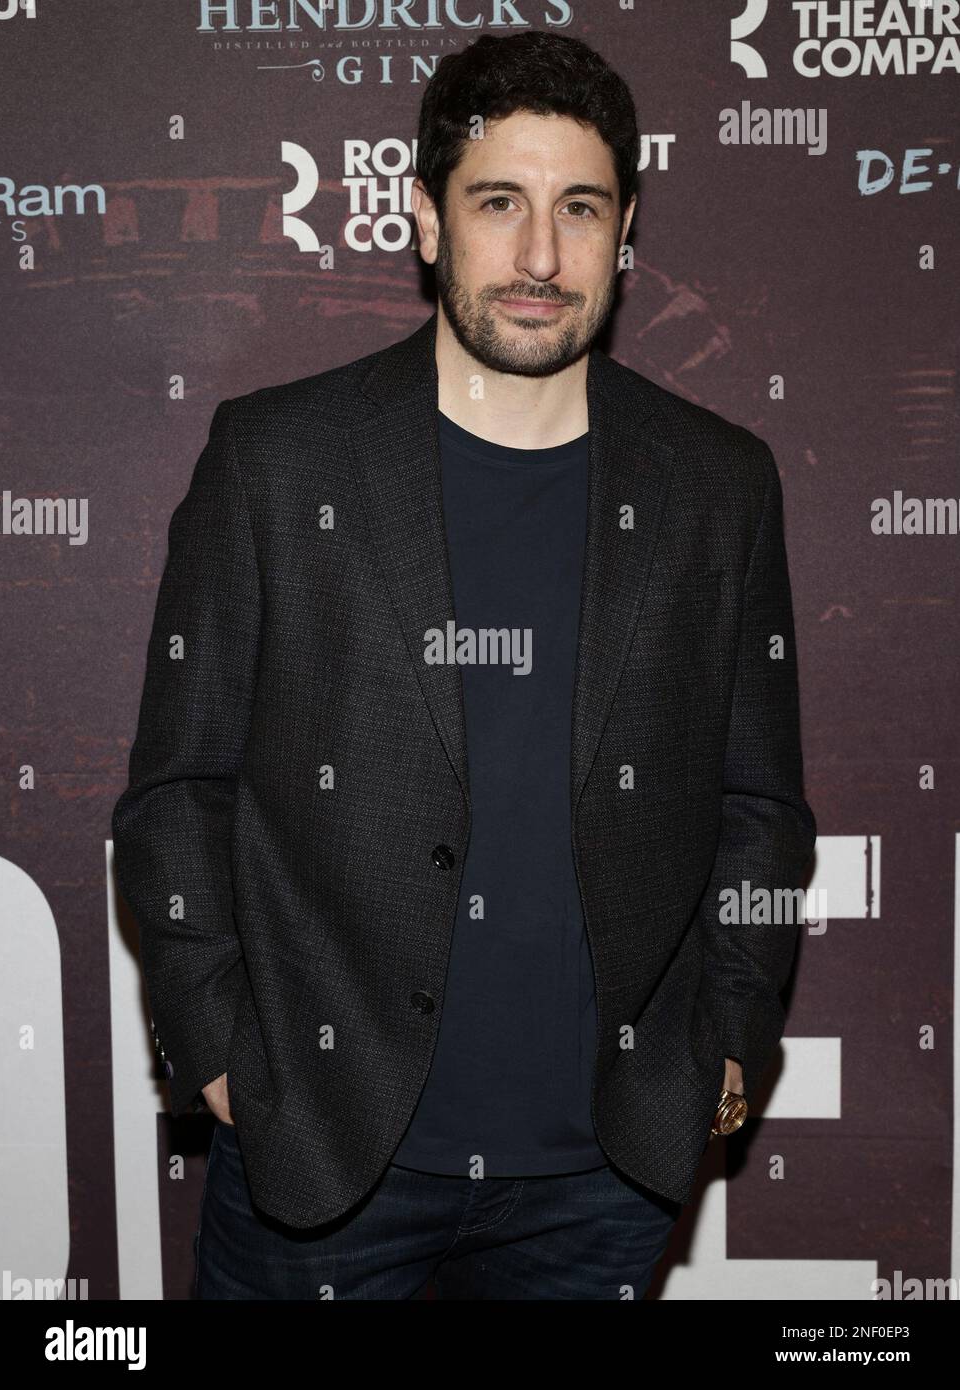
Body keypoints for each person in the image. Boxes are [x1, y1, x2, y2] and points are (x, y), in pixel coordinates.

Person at [111, 30, 816, 1301]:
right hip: (323, 1159)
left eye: (578, 209)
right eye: (499, 204)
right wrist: (217, 1048)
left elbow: (758, 804)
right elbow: (177, 791)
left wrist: (730, 1032)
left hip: (601, 1175)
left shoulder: (717, 484)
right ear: (428, 220)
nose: (540, 256)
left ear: (625, 233)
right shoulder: (278, 463)